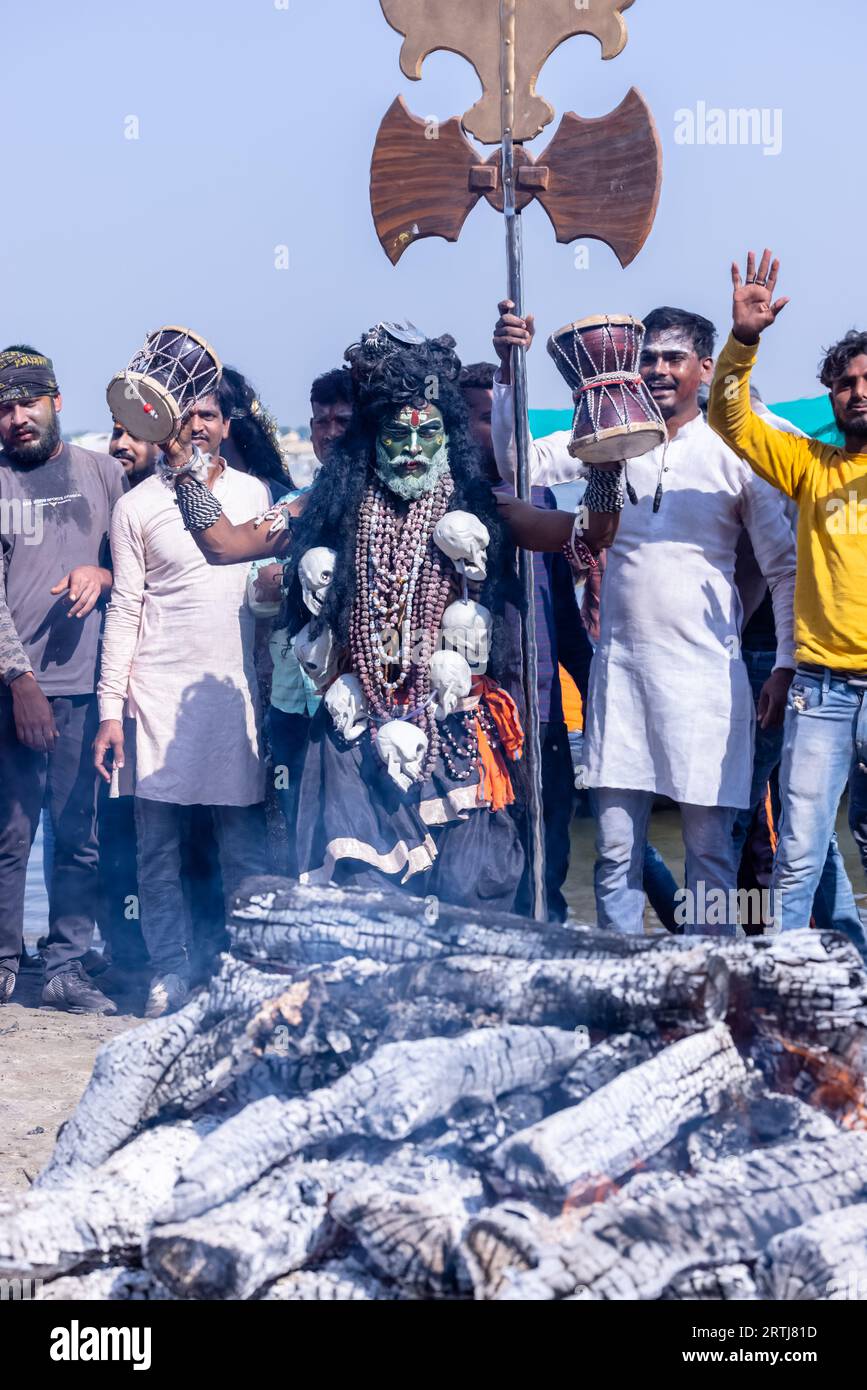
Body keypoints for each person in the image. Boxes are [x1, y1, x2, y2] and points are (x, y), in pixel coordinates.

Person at [165, 326, 555, 910]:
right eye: (398, 434)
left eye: (429, 434)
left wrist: (605, 470)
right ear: (372, 437)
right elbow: (224, 545)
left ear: (449, 436)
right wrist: (182, 468)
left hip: (457, 733)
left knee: (473, 900)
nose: (414, 450)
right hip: (357, 737)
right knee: (366, 909)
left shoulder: (477, 503)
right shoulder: (328, 504)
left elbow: (584, 534)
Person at [491, 303, 798, 936]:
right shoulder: (609, 434)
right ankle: (618, 980)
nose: (657, 369)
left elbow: (782, 569)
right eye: (648, 357)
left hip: (709, 678)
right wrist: (508, 369)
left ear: (704, 369)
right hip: (622, 673)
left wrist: (787, 664)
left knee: (711, 851)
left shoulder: (737, 448)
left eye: (673, 358)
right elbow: (516, 463)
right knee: (614, 851)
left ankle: (708, 975)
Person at [93, 381, 271, 1017]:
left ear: (226, 426)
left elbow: (267, 602)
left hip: (234, 695)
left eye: (209, 415)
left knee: (243, 848)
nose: (197, 426)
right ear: (162, 425)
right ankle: (168, 972)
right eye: (186, 414)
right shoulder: (137, 506)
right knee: (157, 851)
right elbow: (124, 611)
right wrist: (110, 713)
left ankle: (245, 972)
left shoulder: (253, 496)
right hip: (156, 695)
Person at [708, 246, 867, 944]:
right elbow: (730, 420)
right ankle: (781, 992)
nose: (857, 391)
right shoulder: (812, 469)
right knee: (798, 855)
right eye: (844, 384)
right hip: (822, 691)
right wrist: (743, 339)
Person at [0, 345, 126, 1011]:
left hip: (86, 686)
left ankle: (67, 968)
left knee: (80, 835)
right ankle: (3, 963)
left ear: (56, 403)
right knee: (10, 832)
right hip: (9, 689)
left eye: (28, 402)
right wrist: (21, 681)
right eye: (4, 407)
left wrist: (102, 574)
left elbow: (133, 567)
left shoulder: (103, 474)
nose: (17, 417)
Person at [460, 361, 592, 920]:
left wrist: (593, 688)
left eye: (493, 418)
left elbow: (563, 611)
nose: (481, 432)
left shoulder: (540, 498)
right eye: (470, 419)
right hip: (469, 716)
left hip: (539, 712)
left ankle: (552, 971)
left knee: (549, 858)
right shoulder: (444, 501)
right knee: (480, 864)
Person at [247, 368, 355, 874]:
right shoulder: (289, 508)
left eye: (342, 420)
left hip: (361, 699)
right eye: (320, 422)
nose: (330, 432)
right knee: (293, 828)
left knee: (356, 832)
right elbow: (257, 593)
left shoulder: (381, 507)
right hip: (293, 703)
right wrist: (272, 582)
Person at [109, 421, 159, 486]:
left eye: (136, 436)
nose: (120, 445)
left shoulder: (171, 494)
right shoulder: (95, 489)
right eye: (117, 434)